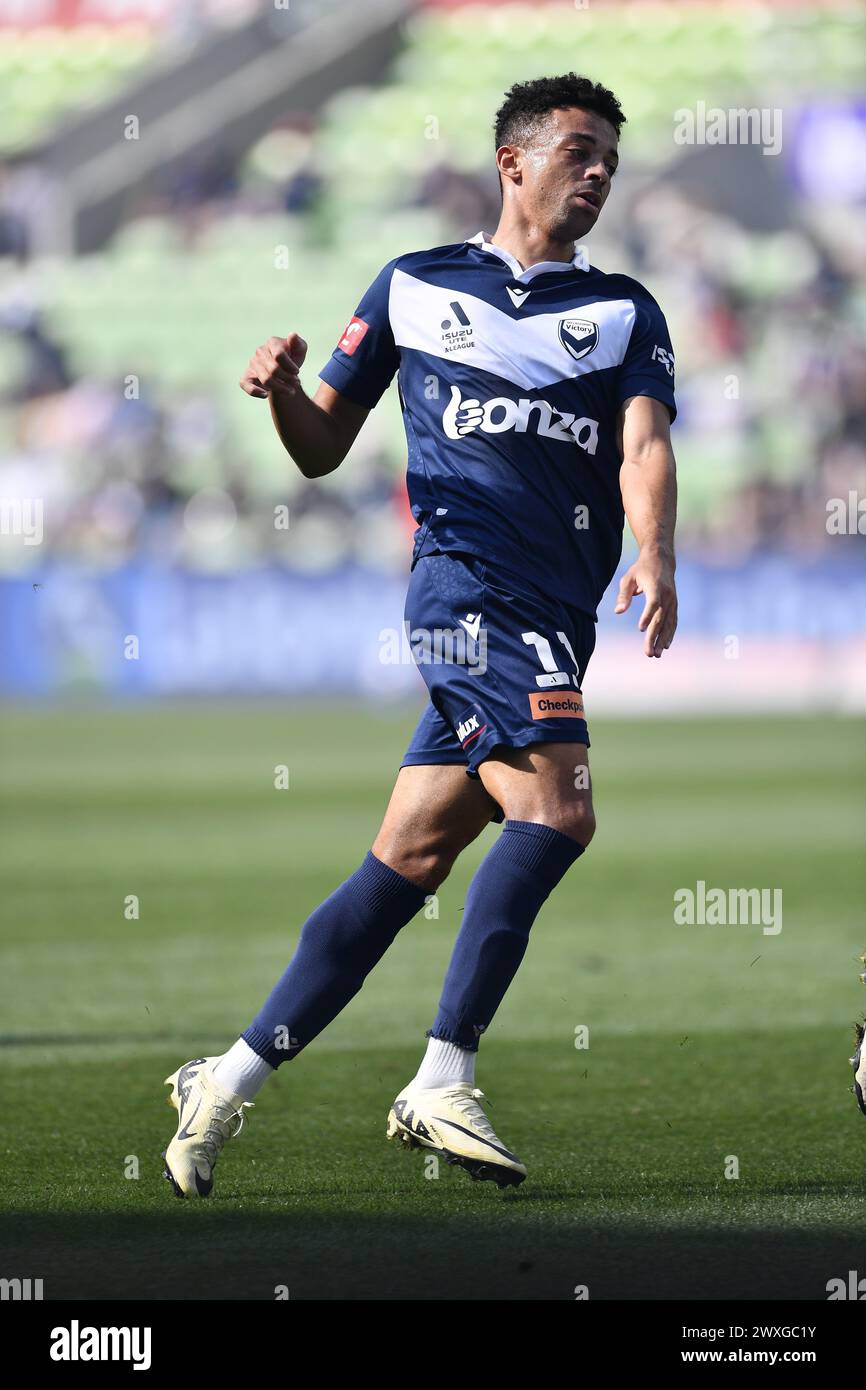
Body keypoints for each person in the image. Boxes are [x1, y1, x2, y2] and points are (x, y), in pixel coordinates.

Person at [162, 72, 678, 1196]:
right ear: (513, 161)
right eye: (577, 152)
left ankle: (230, 1075)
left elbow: (642, 445)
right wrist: (284, 392)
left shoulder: (625, 309)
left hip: (552, 614)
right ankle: (441, 1074)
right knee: (558, 809)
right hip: (460, 598)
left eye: (609, 162)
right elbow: (318, 448)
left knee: (409, 858)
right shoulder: (411, 286)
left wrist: (655, 547)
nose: (596, 174)